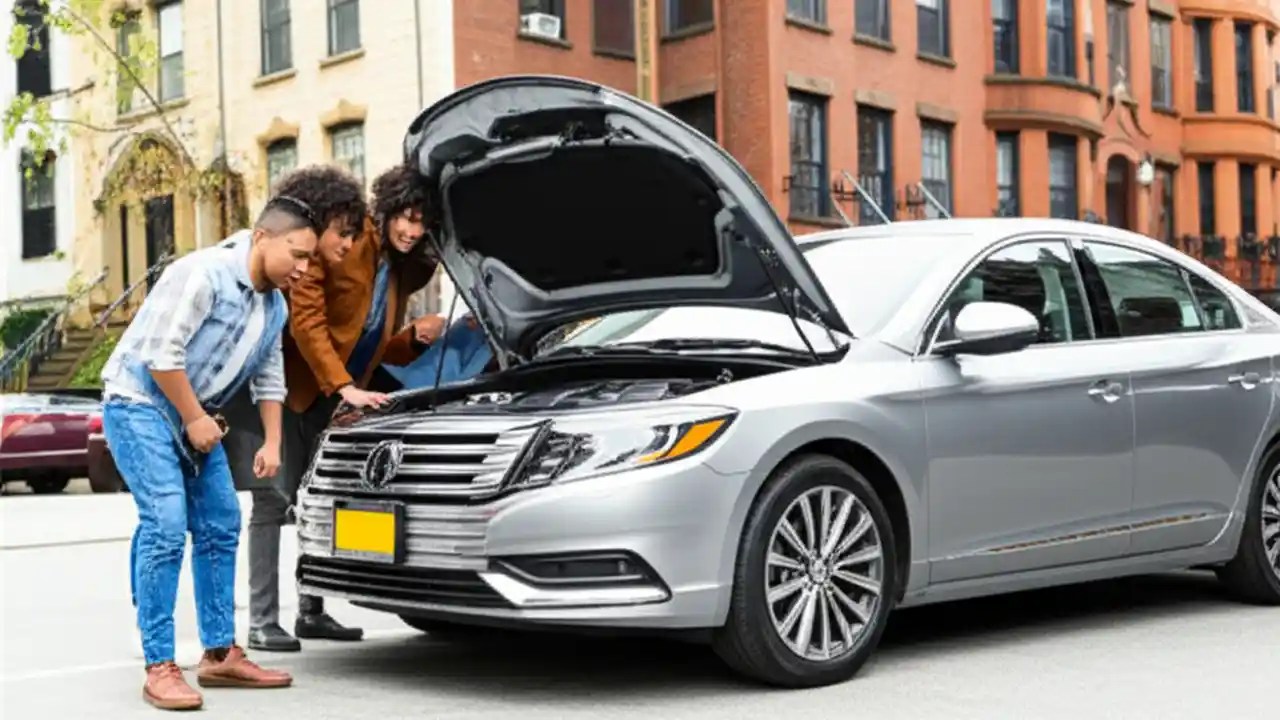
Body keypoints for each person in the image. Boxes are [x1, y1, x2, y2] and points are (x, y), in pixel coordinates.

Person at [99, 195, 319, 711]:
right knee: (167, 522)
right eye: (298, 254)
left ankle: (219, 652)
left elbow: (269, 376)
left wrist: (271, 441)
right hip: (139, 403)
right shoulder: (201, 274)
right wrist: (195, 418)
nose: (305, 269)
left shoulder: (275, 306)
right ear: (262, 237)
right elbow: (159, 354)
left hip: (197, 413)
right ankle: (159, 663)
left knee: (221, 520)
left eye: (312, 260)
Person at [244, 163, 443, 652]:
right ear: (387, 209)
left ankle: (311, 610)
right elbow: (306, 323)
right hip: (294, 390)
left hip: (335, 398)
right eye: (406, 218)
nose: (412, 230)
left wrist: (413, 340)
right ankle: (262, 621)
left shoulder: (399, 268)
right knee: (272, 503)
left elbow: (364, 339)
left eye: (422, 223)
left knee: (319, 502)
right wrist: (343, 386)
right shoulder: (345, 242)